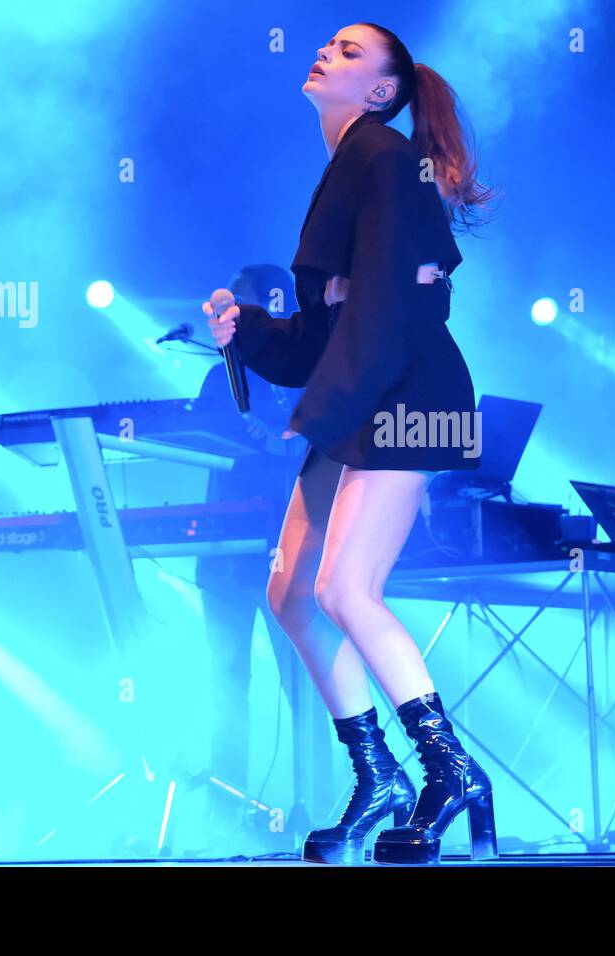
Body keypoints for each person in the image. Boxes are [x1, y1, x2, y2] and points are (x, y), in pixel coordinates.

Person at [202, 22, 497, 865]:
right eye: (330, 42)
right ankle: (380, 778)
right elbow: (327, 330)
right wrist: (249, 330)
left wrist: (329, 389)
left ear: (380, 89)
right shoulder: (351, 164)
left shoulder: (389, 159)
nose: (326, 50)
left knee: (345, 588)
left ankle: (451, 772)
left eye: (349, 50)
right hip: (366, 392)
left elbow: (399, 303)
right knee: (293, 595)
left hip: (409, 395)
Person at [193, 264, 334, 847]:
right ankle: (227, 815)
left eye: (258, 310)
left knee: (303, 682)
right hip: (228, 556)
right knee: (227, 680)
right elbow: (202, 438)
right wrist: (250, 436)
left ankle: (325, 809)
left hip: (290, 550)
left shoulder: (307, 375)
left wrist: (292, 439)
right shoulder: (216, 378)